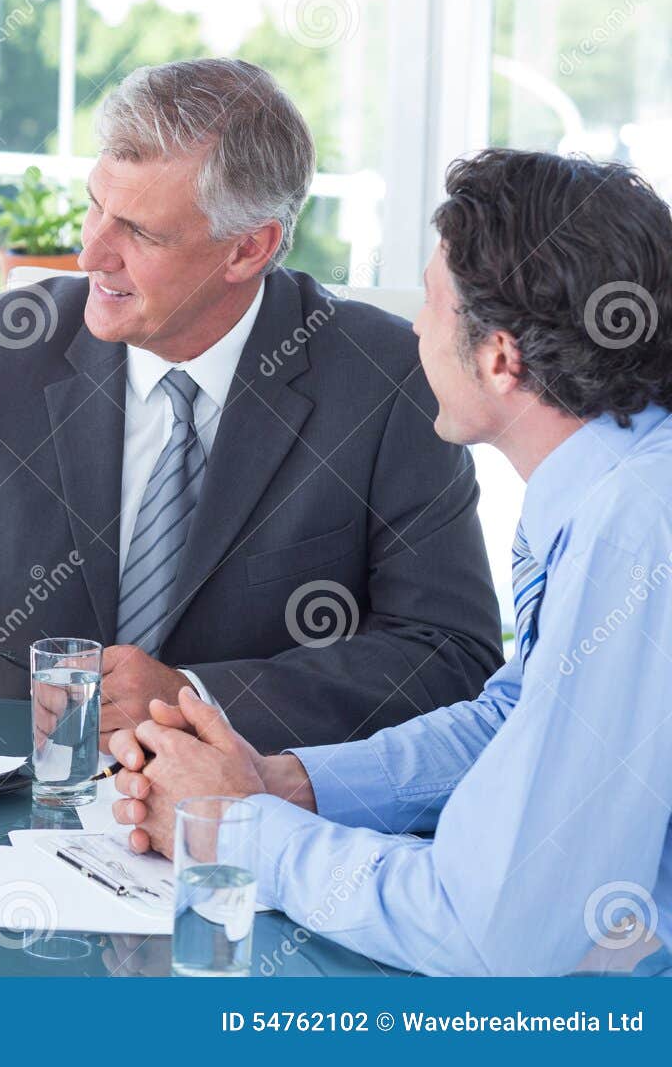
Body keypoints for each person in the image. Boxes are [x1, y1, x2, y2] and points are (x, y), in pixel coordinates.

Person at [0, 58, 503, 753]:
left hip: (252, 825)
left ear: (249, 247)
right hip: (19, 823)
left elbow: (448, 651)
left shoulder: (387, 376)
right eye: (94, 206)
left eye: (140, 233)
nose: (91, 254)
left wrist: (195, 694)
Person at [109, 147, 672, 975]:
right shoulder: (610, 480)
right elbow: (511, 721)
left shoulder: (634, 535)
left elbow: (492, 932)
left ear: (500, 358)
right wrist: (281, 782)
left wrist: (238, 825)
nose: (415, 327)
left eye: (435, 303)